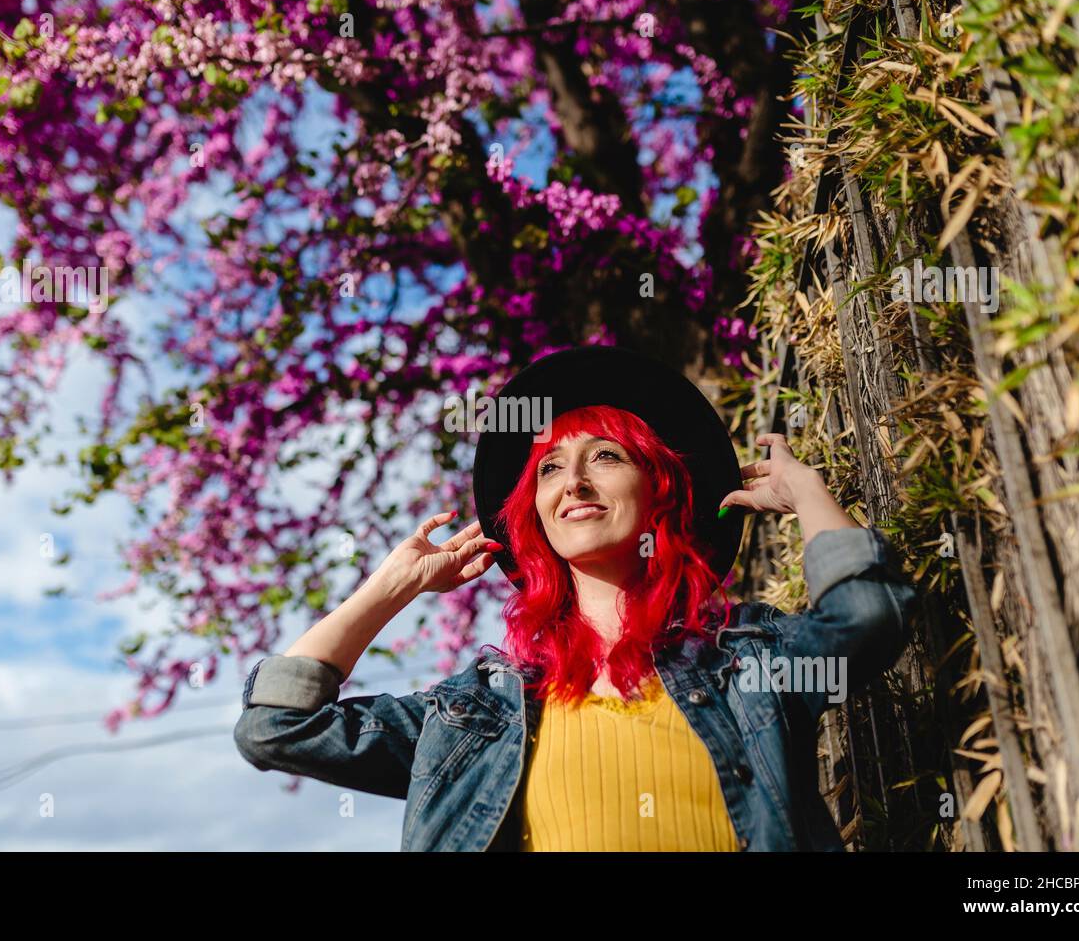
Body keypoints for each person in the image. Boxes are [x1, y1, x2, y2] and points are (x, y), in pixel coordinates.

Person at [234, 346, 917, 851]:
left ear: (661, 492)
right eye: (552, 468)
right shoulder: (475, 716)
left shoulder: (746, 663)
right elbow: (276, 727)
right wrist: (393, 586)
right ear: (537, 512)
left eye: (607, 458)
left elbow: (867, 618)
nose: (576, 483)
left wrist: (809, 496)